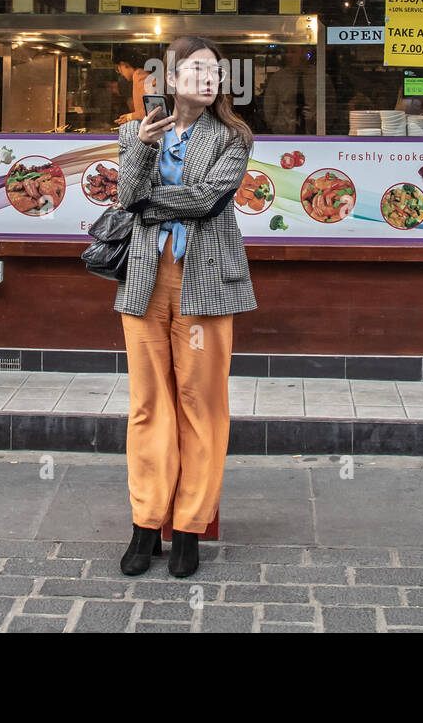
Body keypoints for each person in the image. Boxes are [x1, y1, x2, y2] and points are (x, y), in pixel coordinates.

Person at [111, 35, 257, 578]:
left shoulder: (233, 137)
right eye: (196, 68)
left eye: (215, 70)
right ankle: (146, 523)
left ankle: (191, 525)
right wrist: (144, 153)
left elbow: (209, 199)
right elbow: (123, 197)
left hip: (207, 282)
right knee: (148, 403)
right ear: (170, 80)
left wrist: (147, 199)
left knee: (203, 403)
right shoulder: (135, 131)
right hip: (146, 282)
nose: (208, 76)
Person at [260, 47, 316, 135]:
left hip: (315, 137)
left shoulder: (319, 78)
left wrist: (313, 119)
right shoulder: (277, 79)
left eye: (293, 51)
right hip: (283, 137)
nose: (288, 55)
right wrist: (282, 125)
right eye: (287, 52)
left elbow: (329, 113)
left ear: (305, 53)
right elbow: (269, 114)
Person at [113, 49, 157, 125]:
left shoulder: (139, 75)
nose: (120, 72)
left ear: (125, 64)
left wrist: (129, 117)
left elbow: (151, 111)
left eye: (118, 68)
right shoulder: (141, 75)